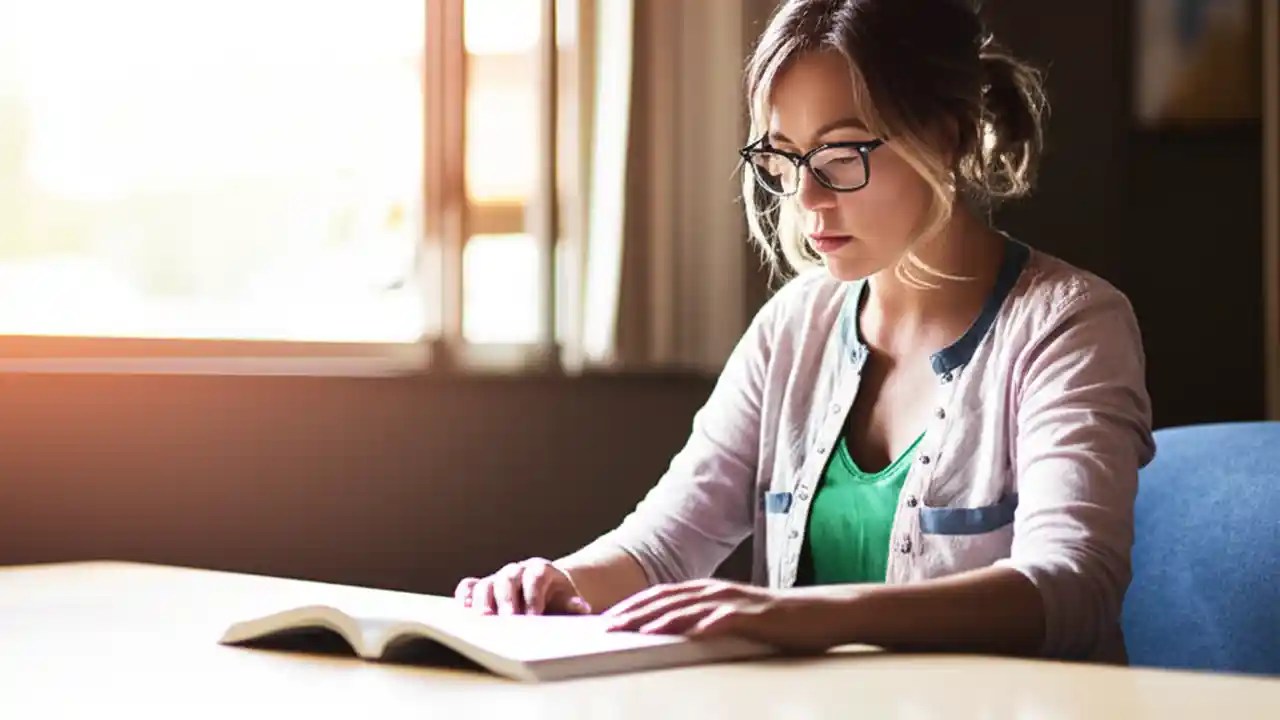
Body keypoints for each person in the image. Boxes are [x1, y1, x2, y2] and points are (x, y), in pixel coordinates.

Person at [454, 0, 1154, 663]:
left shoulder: (1068, 325)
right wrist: (553, 582)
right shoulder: (791, 330)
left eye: (842, 154)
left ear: (947, 136)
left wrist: (810, 616)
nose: (806, 197)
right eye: (784, 156)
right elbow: (664, 548)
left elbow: (1070, 587)